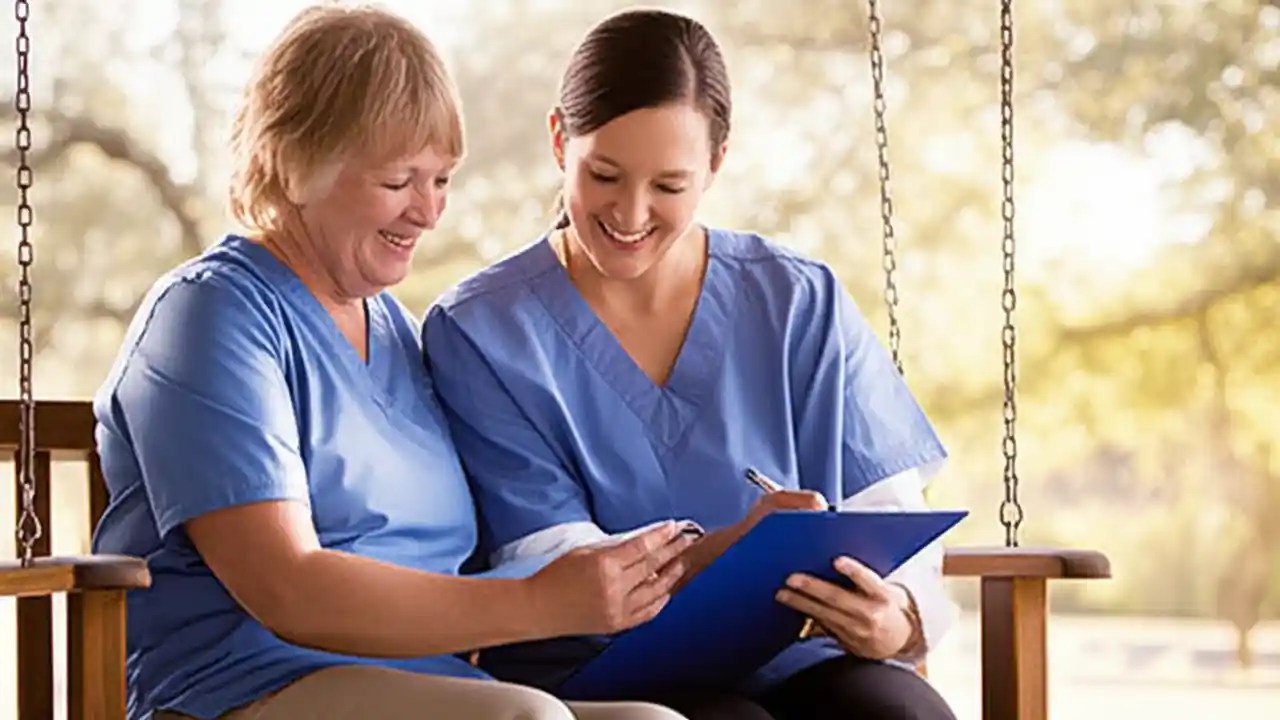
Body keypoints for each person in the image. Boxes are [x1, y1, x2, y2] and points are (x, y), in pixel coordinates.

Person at [89, 6, 696, 720]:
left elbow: (479, 567)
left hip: (423, 685)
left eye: (441, 180)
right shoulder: (212, 315)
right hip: (237, 685)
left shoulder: (402, 335)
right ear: (294, 163)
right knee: (524, 718)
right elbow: (288, 588)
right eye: (399, 180)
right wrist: (537, 603)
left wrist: (636, 569)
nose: (428, 212)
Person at [422, 8, 958, 720]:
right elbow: (562, 570)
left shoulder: (796, 299)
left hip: (794, 654)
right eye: (604, 175)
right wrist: (735, 550)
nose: (631, 213)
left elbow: (888, 516)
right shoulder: (480, 329)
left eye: (669, 186)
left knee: (901, 714)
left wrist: (894, 619)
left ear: (716, 163)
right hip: (602, 670)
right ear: (560, 141)